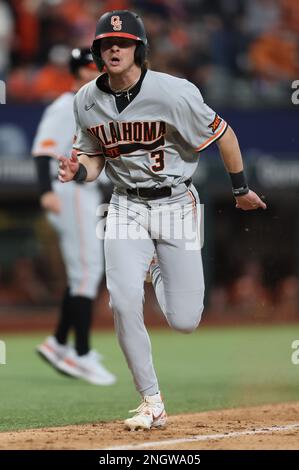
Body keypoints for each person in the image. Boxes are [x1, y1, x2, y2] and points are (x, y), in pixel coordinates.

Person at [58, 11, 266, 429]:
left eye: (123, 42)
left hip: (175, 204)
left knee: (186, 320)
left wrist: (240, 189)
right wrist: (78, 172)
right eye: (106, 43)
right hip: (124, 206)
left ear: (139, 48)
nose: (114, 48)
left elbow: (223, 134)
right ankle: (151, 400)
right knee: (121, 299)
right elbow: (94, 157)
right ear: (98, 51)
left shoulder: (173, 92)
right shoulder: (85, 99)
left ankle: (154, 268)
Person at [32, 47, 116, 386]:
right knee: (88, 273)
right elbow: (43, 151)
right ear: (77, 71)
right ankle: (79, 354)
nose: (94, 70)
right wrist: (45, 192)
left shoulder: (93, 102)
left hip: (84, 190)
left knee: (82, 273)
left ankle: (57, 343)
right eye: (88, 66)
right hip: (69, 191)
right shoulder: (67, 103)